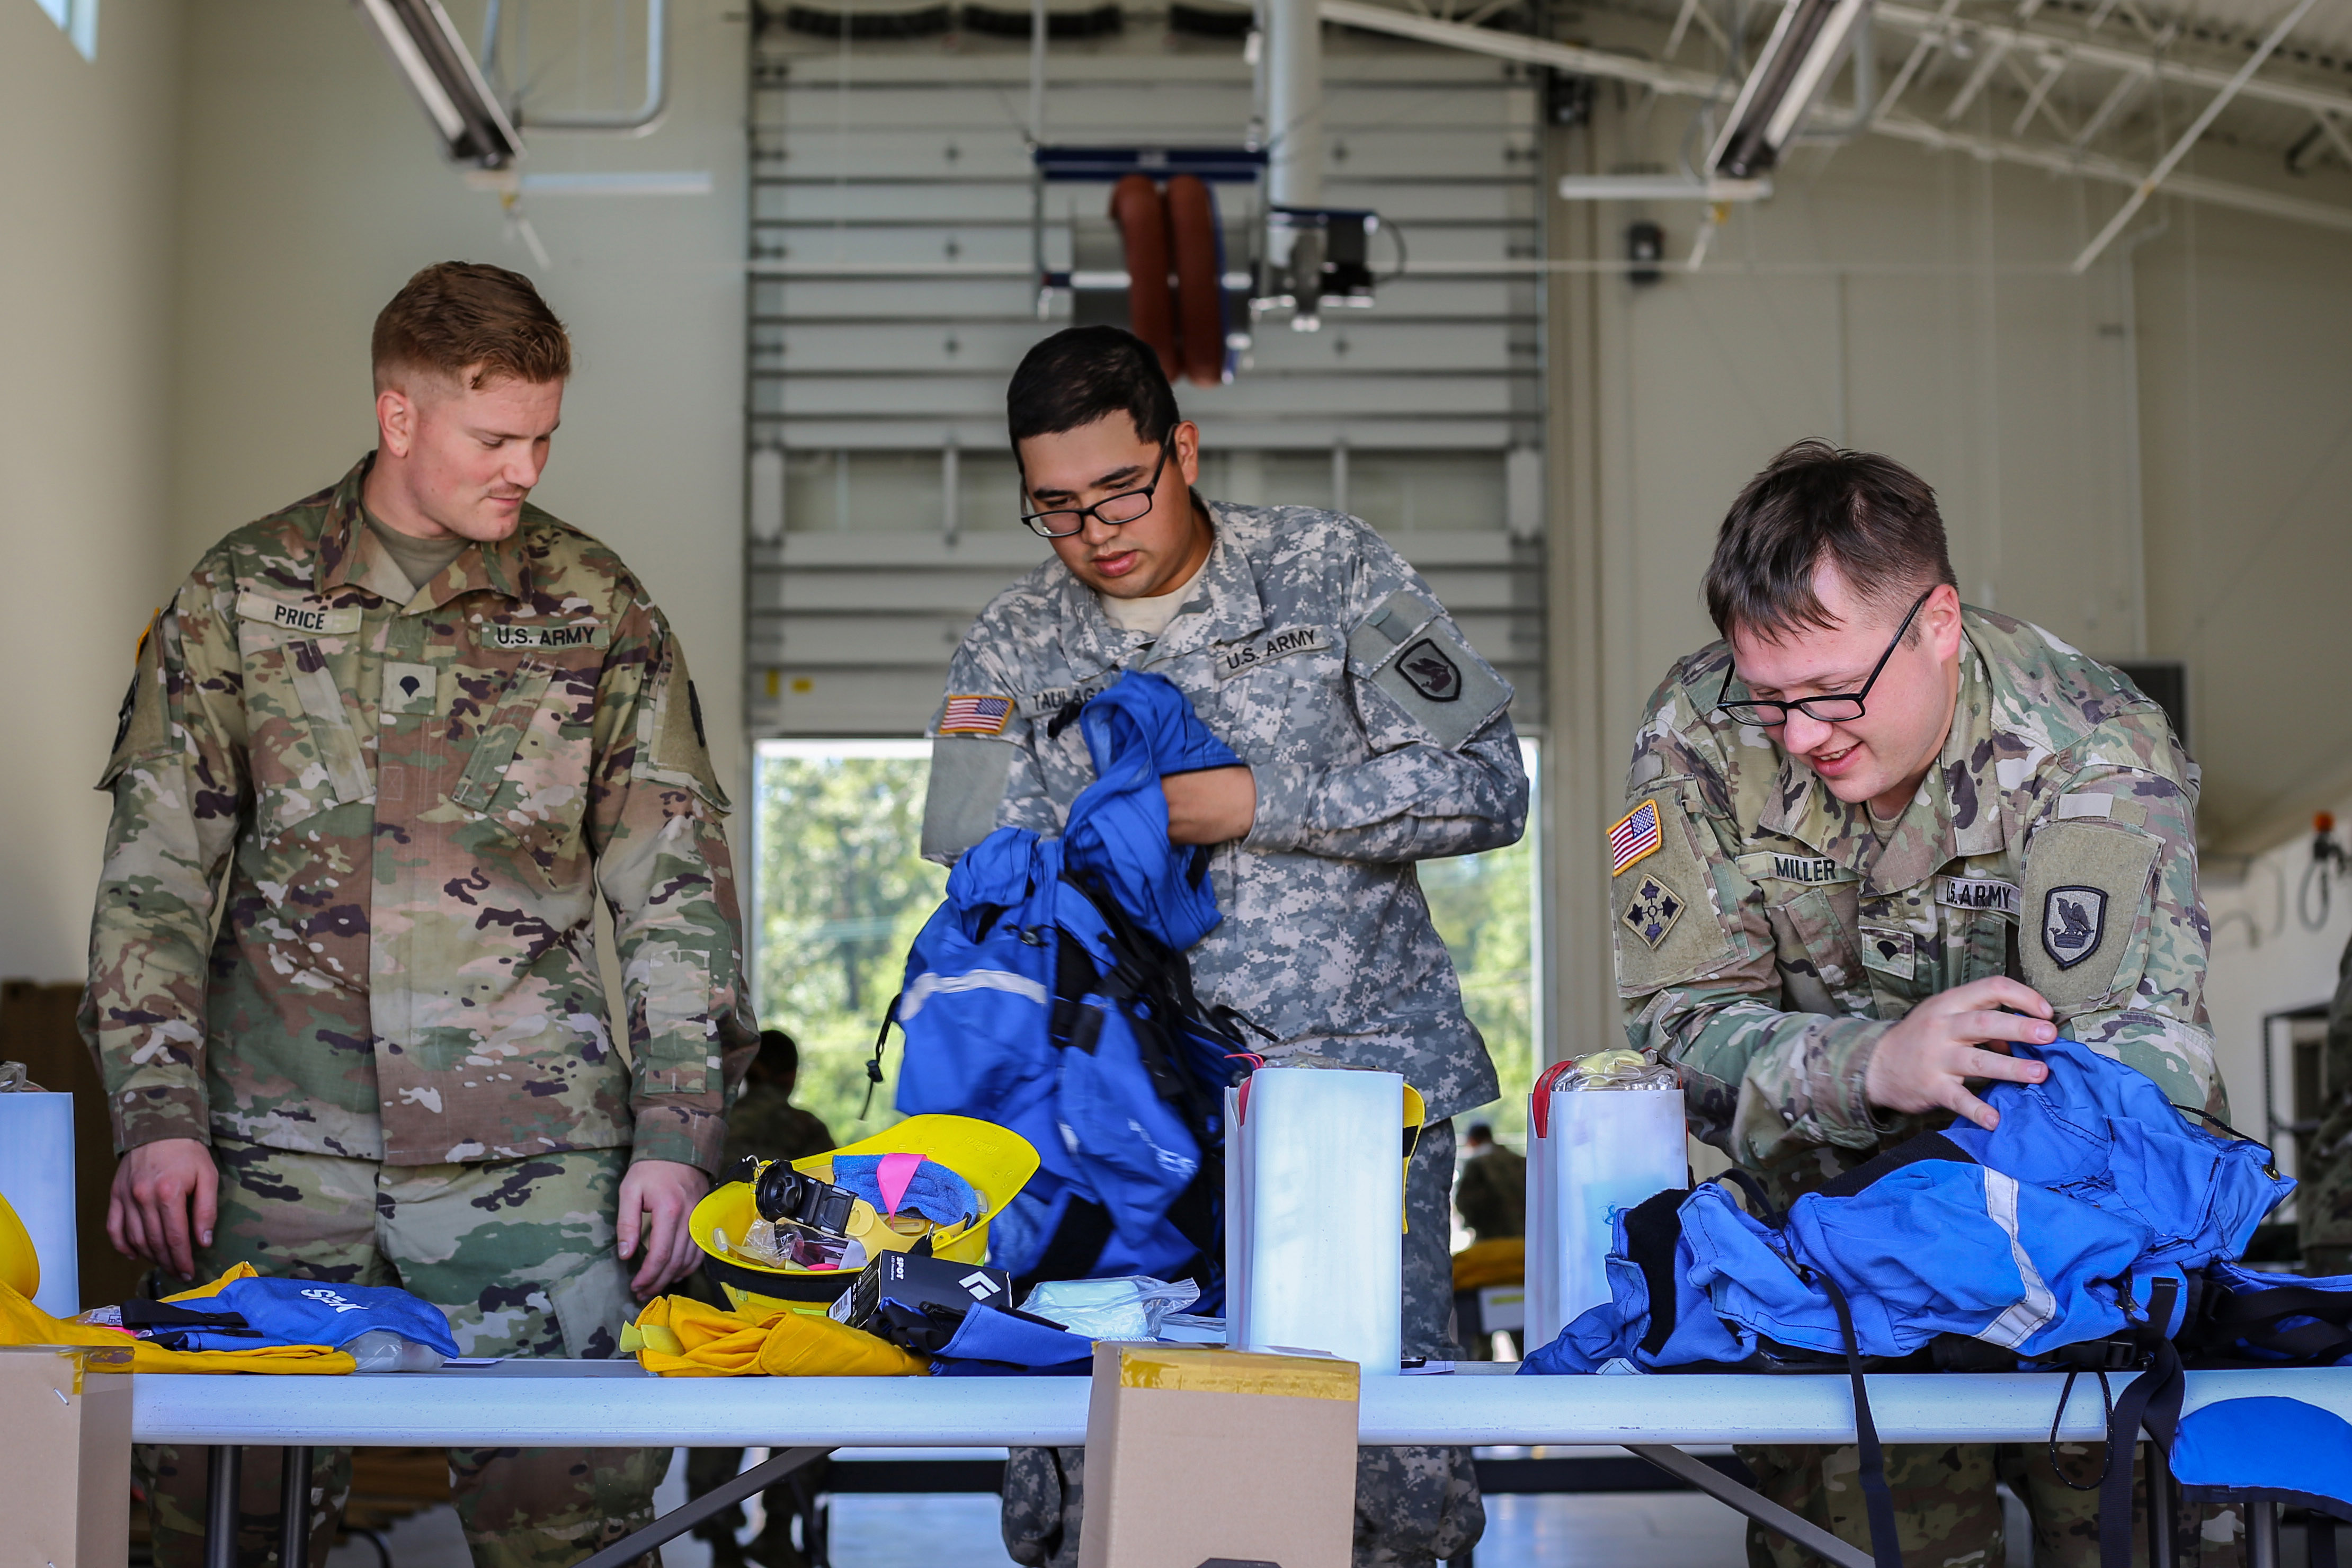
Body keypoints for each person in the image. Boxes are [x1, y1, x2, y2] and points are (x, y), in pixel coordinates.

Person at [79, 261, 757, 1568]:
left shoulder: (598, 608)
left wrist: (678, 1130)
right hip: (276, 1148)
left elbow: (676, 885)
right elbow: (157, 872)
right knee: (218, 1518)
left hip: (541, 1160)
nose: (526, 466)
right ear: (399, 416)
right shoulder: (243, 594)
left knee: (574, 1527)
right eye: (495, 436)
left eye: (545, 435)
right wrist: (157, 1118)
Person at [927, 325, 1527, 1568]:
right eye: (1055, 508)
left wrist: (1249, 800)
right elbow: (979, 881)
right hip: (1118, 1114)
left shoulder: (1325, 570)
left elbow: (1487, 781)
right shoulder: (1006, 645)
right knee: (1109, 1464)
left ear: (1180, 448)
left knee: (1376, 1458)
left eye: (1120, 489)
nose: (1096, 530)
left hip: (1345, 1091)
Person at [1612, 439, 2223, 1568]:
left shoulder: (2091, 741)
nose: (1800, 733)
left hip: (2080, 1266)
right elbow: (1675, 1031)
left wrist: (1959, 1155)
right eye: (1771, 699)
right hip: (1839, 1274)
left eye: (1831, 692)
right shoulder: (1698, 729)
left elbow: (2142, 1068)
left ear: (1937, 621)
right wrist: (1873, 1067)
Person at [686, 1027, 835, 1568]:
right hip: (789, 1288)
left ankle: (720, 1535)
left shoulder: (714, 1129)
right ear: (791, 1074)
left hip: (714, 1282)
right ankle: (778, 1527)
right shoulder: (808, 1128)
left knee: (717, 1402)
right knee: (804, 1401)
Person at [1451, 1121, 1525, 1243]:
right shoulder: (1520, 1160)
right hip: (1524, 1239)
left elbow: (1464, 1201)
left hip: (1491, 1239)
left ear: (1472, 1141)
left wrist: (1472, 1224)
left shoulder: (1476, 1163)